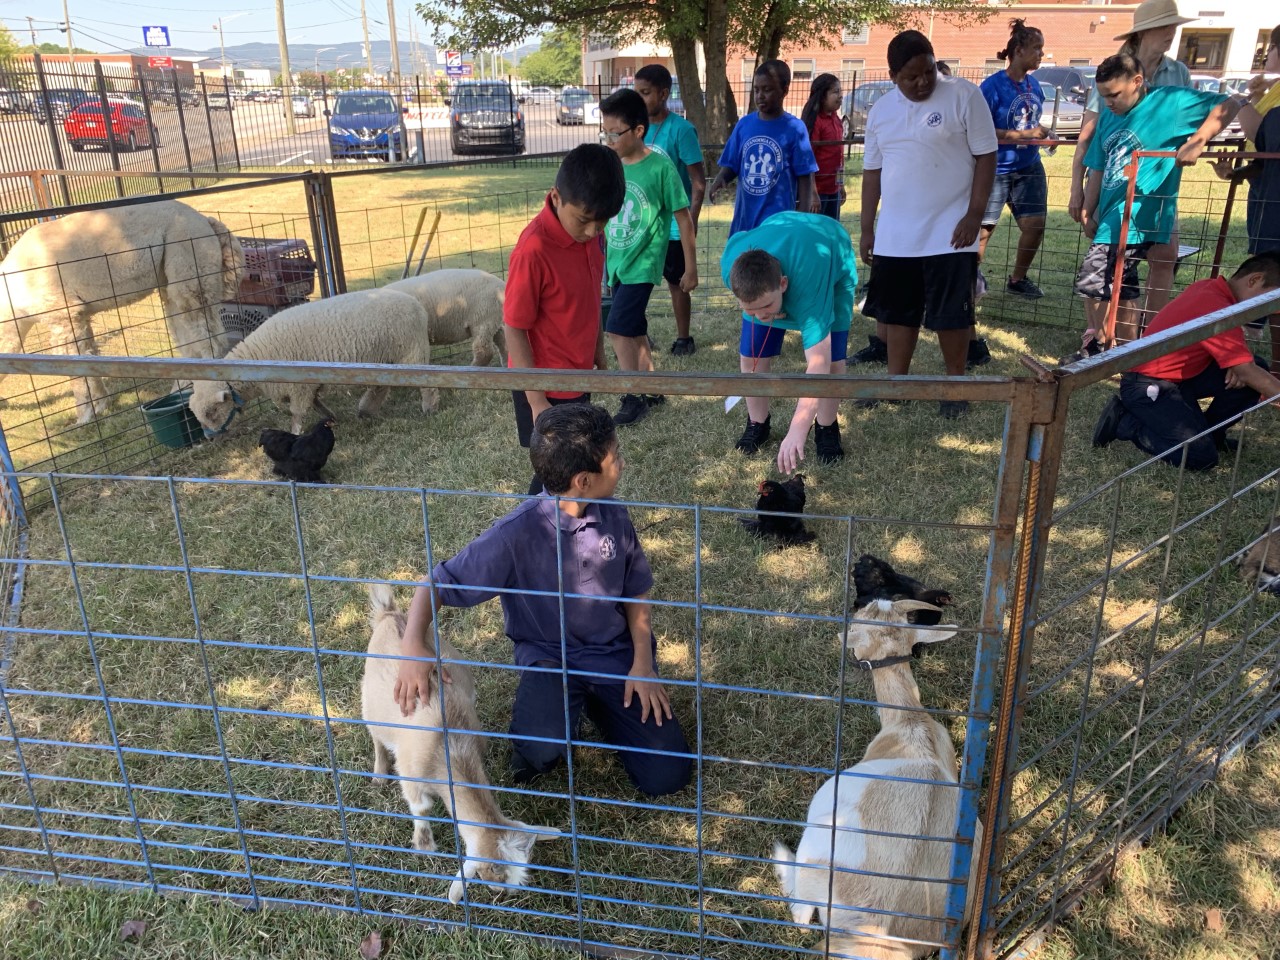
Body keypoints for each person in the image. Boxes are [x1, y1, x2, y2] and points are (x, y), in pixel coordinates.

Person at [394, 403, 692, 798]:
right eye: (615, 456)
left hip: (613, 656)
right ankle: (549, 720)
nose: (622, 461)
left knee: (668, 777)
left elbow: (636, 590)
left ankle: (604, 703)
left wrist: (642, 664)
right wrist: (413, 645)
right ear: (584, 479)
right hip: (550, 660)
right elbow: (435, 584)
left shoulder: (615, 516)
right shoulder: (515, 533)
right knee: (541, 750)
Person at [858, 30, 998, 419]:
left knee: (952, 315)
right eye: (911, 77)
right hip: (896, 235)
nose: (922, 82)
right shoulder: (881, 111)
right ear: (892, 76)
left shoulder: (965, 96)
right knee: (897, 314)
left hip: (951, 231)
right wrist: (868, 228)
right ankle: (895, 385)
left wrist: (974, 215)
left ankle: (956, 387)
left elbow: (987, 157)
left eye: (928, 71)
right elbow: (872, 172)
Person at [1075, 53, 1236, 352]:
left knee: (1094, 277)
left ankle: (1103, 344)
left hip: (1141, 212)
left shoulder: (1169, 103)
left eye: (1114, 94)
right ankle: (1126, 350)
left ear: (1137, 81)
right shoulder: (1110, 115)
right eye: (1103, 96)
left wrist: (1199, 139)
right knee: (1121, 285)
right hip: (1112, 213)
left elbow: (1230, 103)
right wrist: (1087, 206)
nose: (1108, 102)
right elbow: (1097, 166)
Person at [503, 144, 625, 496]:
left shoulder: (592, 237)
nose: (592, 231)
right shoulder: (533, 250)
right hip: (543, 384)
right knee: (556, 476)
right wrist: (536, 399)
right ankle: (532, 533)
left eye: (601, 223)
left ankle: (570, 533)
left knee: (576, 468)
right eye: (585, 220)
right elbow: (514, 326)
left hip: (577, 375)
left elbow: (588, 299)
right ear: (556, 197)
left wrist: (597, 349)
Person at [1069, 0, 1197, 325]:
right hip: (1114, 180)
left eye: (1174, 25)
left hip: (1158, 183)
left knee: (1165, 254)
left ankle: (1152, 331)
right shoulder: (1114, 70)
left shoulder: (1178, 72)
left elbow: (1189, 123)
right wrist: (1077, 189)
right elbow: (1089, 135)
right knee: (1108, 261)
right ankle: (1099, 335)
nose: (1171, 33)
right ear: (1143, 32)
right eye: (1165, 25)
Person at [1092, 251, 1280, 470]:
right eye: (1273, 299)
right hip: (1147, 385)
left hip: (1182, 376)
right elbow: (1246, 370)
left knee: (1255, 369)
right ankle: (1125, 422)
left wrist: (1242, 365)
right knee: (1201, 458)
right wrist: (1244, 369)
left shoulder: (1211, 288)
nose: (1272, 309)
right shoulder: (1217, 307)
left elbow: (1238, 354)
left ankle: (1210, 434)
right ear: (1254, 280)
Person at [722, 211, 856, 470]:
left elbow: (818, 364)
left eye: (766, 306)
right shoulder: (732, 265)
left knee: (834, 361)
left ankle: (826, 427)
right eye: (750, 310)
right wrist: (765, 310)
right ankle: (757, 423)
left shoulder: (810, 281)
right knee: (751, 354)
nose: (761, 315)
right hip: (780, 226)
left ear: (783, 284)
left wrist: (798, 429)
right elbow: (758, 304)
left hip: (828, 247)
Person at [598, 89, 698, 427]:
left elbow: (683, 218)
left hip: (644, 264)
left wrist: (691, 267)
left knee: (617, 327)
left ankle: (633, 395)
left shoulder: (660, 167)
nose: (609, 138)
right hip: (617, 263)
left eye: (615, 132)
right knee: (634, 326)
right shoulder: (611, 164)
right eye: (605, 131)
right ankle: (653, 387)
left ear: (638, 130)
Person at [1213, 25, 1280, 371]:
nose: (1264, 56)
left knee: (1273, 282)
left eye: (1268, 49)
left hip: (1276, 210)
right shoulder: (1270, 93)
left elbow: (1264, 135)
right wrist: (1235, 174)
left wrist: (1241, 101)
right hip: (1264, 204)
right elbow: (1264, 160)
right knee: (1268, 273)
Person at [634, 63, 706, 358]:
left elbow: (698, 183)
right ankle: (637, 333)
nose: (640, 99)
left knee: (677, 283)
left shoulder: (681, 130)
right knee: (637, 282)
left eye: (646, 93)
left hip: (674, 225)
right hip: (643, 223)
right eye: (636, 92)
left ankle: (683, 338)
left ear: (663, 94)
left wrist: (692, 220)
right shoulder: (635, 129)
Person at [979, 19, 1053, 300]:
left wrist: (1042, 134)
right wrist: (1017, 136)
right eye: (1037, 48)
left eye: (1042, 49)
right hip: (995, 168)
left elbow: (1032, 121)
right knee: (984, 229)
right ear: (1019, 50)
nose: (1041, 54)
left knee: (1035, 226)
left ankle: (1018, 280)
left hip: (1029, 167)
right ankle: (971, 276)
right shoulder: (992, 87)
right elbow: (978, 129)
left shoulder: (1035, 85)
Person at [707, 59, 819, 235]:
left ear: (784, 90)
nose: (760, 95)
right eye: (757, 90)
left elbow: (805, 177)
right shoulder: (744, 125)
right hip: (745, 223)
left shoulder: (795, 128)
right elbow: (732, 163)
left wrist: (801, 220)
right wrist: (721, 179)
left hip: (778, 225)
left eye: (767, 90)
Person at [800, 73, 846, 220]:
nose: (840, 96)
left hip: (834, 189)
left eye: (841, 92)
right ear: (822, 95)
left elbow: (839, 156)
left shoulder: (836, 119)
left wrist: (841, 185)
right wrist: (813, 193)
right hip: (818, 192)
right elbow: (809, 160)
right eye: (835, 92)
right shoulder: (816, 122)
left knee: (831, 231)